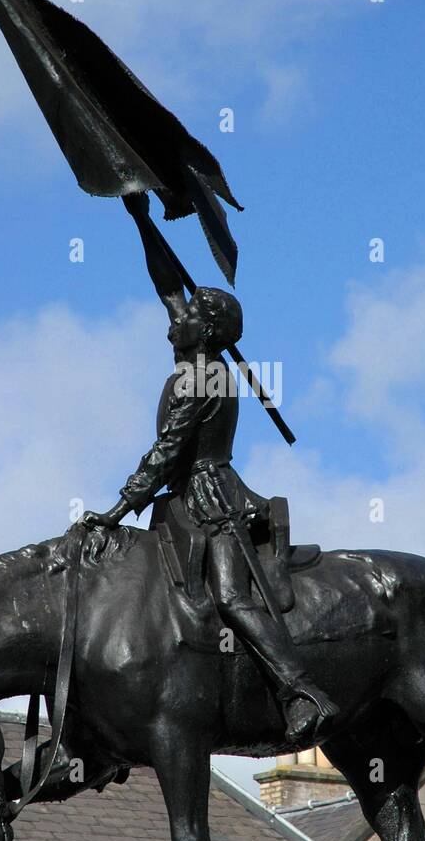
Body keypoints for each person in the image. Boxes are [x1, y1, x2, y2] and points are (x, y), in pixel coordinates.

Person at [76, 194, 337, 747]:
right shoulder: (196, 359)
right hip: (182, 499)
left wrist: (118, 508)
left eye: (191, 314)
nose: (178, 316)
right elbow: (168, 286)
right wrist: (141, 220)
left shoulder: (204, 379)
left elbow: (168, 451)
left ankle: (300, 691)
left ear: (209, 330)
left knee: (230, 597)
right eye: (183, 311)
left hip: (211, 498)